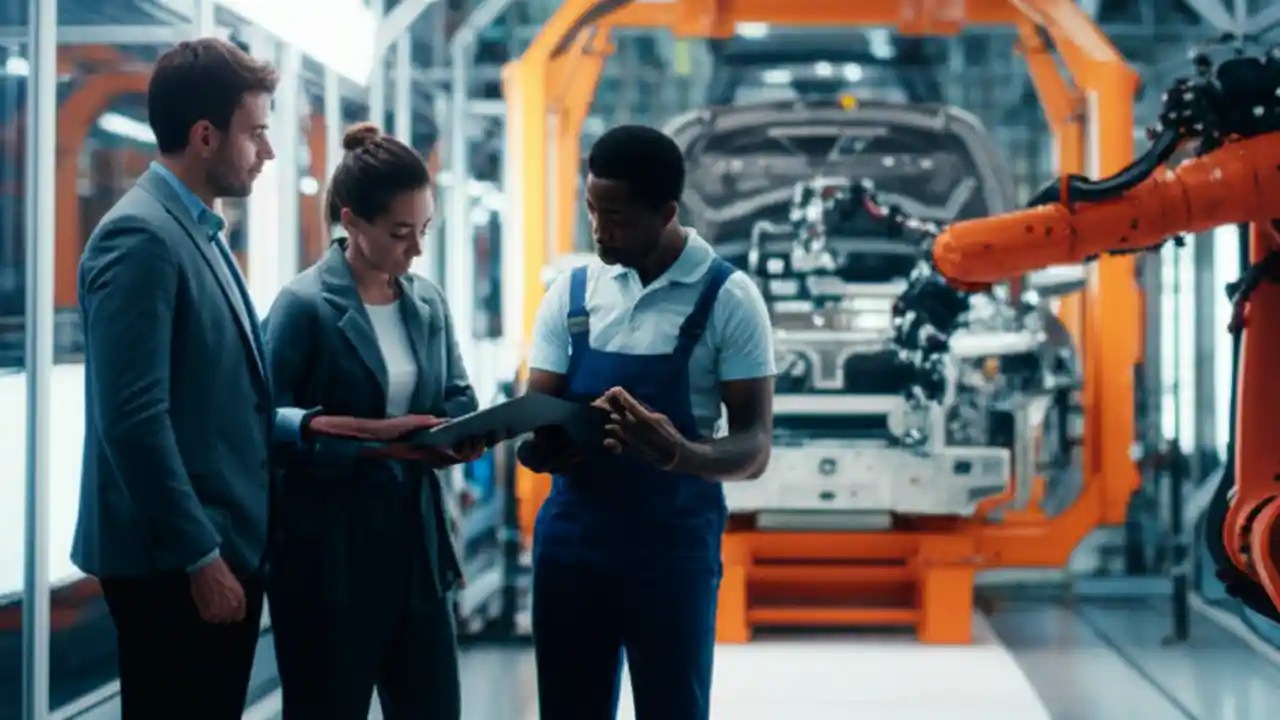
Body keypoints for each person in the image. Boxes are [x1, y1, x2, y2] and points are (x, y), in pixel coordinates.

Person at [72, 38, 306, 718]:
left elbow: (224, 396)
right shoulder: (142, 238)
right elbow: (134, 421)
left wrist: (316, 425)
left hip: (215, 551)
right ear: (206, 136)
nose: (265, 152)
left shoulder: (196, 229)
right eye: (256, 133)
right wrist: (200, 557)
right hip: (173, 567)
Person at [518, 124, 777, 719]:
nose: (600, 231)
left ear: (665, 212)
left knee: (673, 708)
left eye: (618, 217)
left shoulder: (728, 300)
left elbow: (755, 445)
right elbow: (537, 423)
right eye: (591, 210)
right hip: (571, 545)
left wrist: (680, 453)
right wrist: (542, 448)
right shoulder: (571, 295)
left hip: (672, 552)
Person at [261, 122, 482, 720]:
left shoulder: (427, 301)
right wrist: (371, 445)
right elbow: (265, 426)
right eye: (401, 232)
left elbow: (459, 394)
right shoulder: (303, 307)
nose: (416, 249)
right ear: (352, 222)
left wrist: (460, 433)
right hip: (330, 556)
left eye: (425, 231)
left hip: (416, 550)